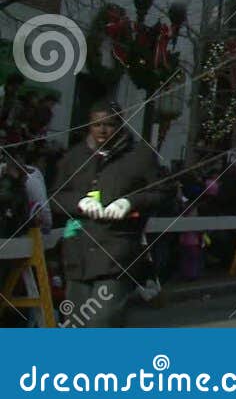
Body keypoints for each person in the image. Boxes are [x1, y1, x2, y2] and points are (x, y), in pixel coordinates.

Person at [49, 102, 161, 327]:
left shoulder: (140, 156)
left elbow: (163, 192)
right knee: (75, 324)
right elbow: (55, 197)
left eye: (109, 124)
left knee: (102, 321)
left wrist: (129, 202)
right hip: (78, 254)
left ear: (120, 125)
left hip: (117, 253)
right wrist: (79, 202)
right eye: (96, 124)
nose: (102, 130)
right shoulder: (74, 157)